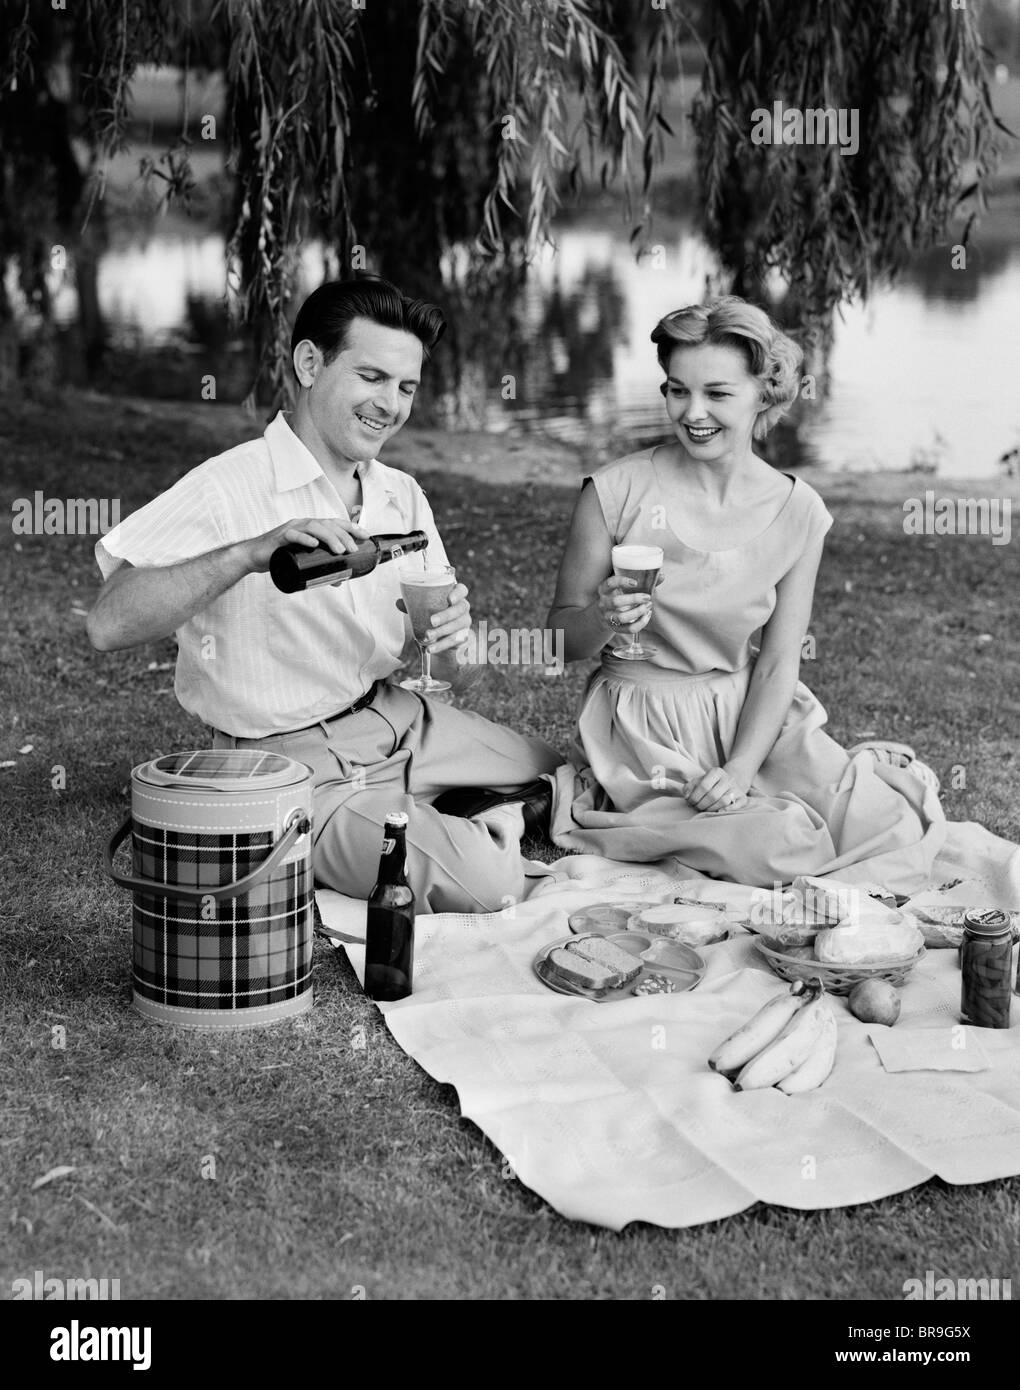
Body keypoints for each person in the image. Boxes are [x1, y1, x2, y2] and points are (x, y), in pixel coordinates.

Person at [87, 276, 560, 912]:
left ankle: (441, 807)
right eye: (372, 377)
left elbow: (457, 674)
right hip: (291, 766)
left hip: (397, 719)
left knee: (560, 769)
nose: (390, 405)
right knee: (486, 880)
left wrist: (452, 644)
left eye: (406, 387)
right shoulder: (227, 486)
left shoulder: (401, 494)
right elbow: (108, 624)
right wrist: (249, 554)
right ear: (310, 363)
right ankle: (455, 820)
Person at [545, 295, 945, 894]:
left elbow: (780, 662)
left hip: (752, 716)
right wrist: (602, 617)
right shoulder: (614, 491)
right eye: (677, 391)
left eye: (717, 393)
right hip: (645, 726)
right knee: (776, 846)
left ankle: (826, 779)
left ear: (764, 392)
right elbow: (558, 642)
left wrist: (739, 768)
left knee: (890, 823)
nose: (693, 413)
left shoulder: (799, 510)